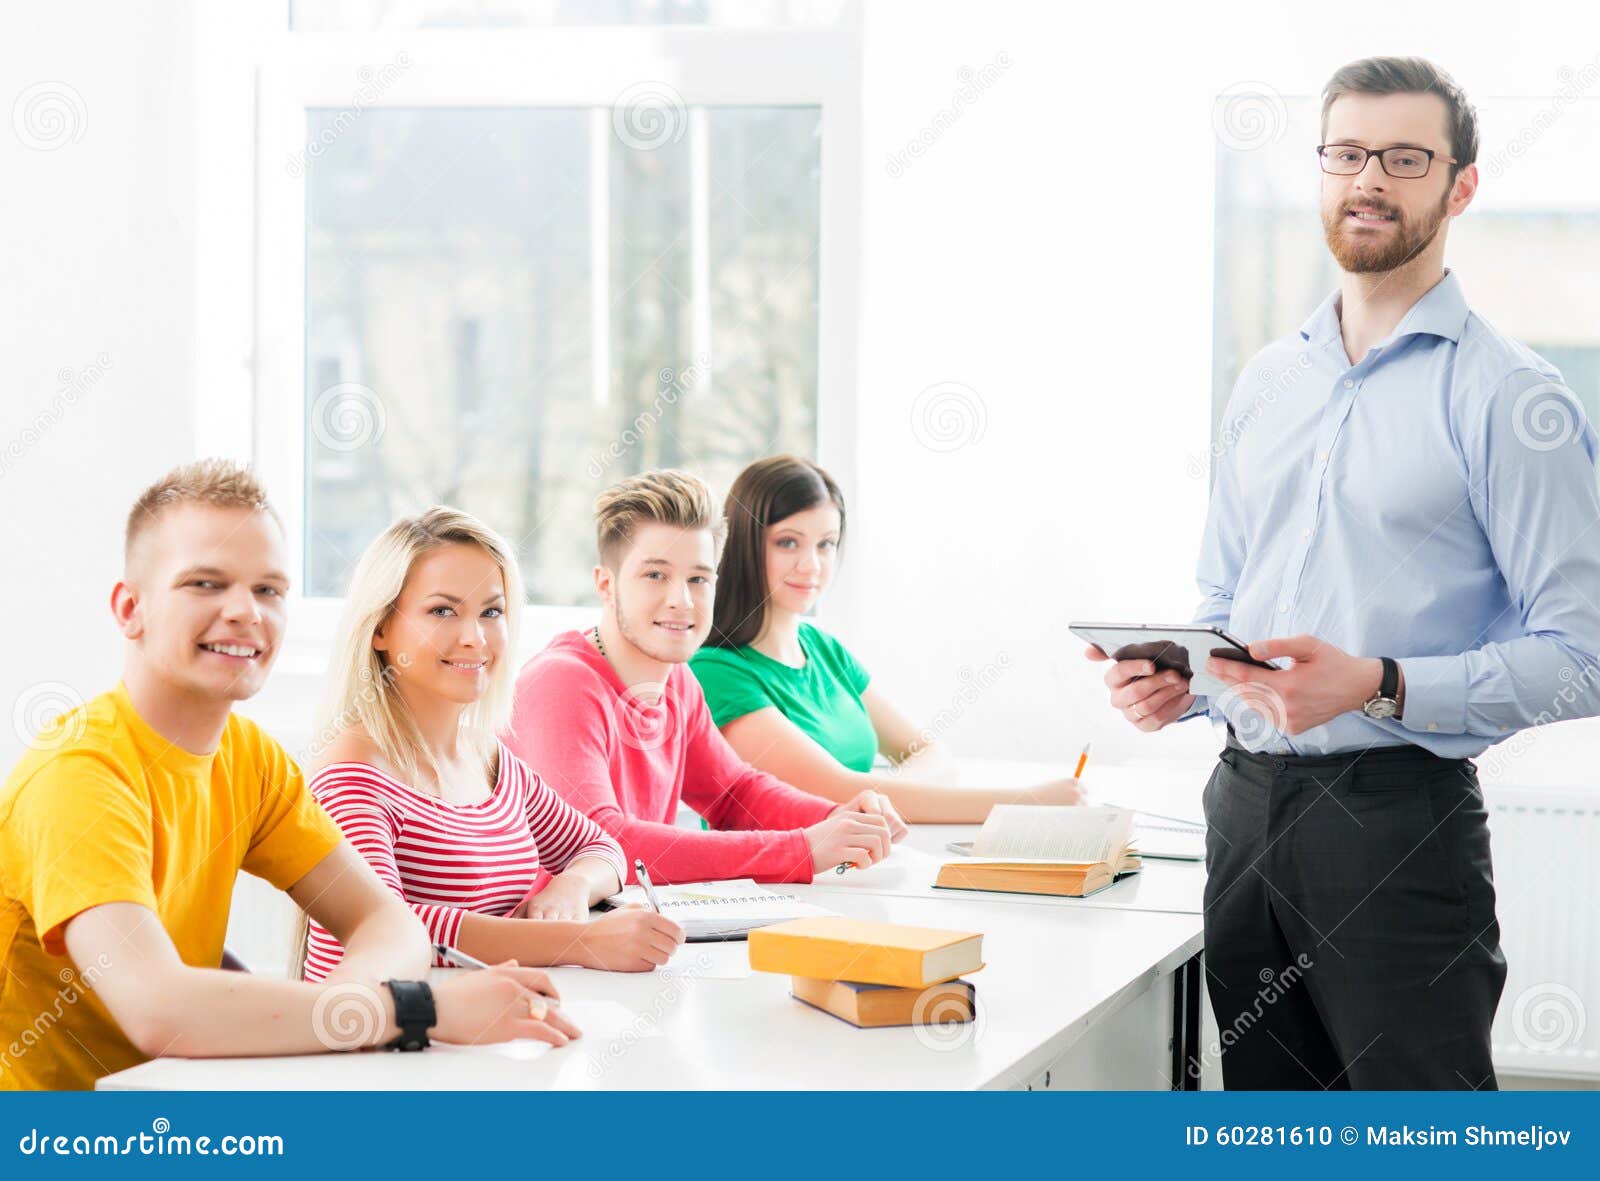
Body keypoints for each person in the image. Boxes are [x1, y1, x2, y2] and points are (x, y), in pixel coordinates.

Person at [1088, 57, 1600, 1089]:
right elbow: (1225, 599)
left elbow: (1582, 654)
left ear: (1459, 185)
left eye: (1404, 158)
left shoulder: (1512, 396)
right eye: (1347, 154)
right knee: (1274, 1127)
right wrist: (1190, 678)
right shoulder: (1267, 379)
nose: (1368, 179)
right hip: (1242, 808)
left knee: (1422, 1139)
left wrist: (1379, 682)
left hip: (1395, 824)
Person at [0, 461, 575, 1092]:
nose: (245, 612)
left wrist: (352, 1015)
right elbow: (158, 1010)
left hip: (189, 1102)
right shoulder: (78, 777)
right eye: (205, 583)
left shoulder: (248, 755)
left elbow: (389, 924)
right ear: (131, 608)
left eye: (269, 590)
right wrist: (413, 1012)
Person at [302, 507, 685, 980]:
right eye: (442, 611)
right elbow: (387, 927)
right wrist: (582, 942)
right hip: (388, 1027)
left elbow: (601, 848)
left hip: (485, 1018)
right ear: (380, 628)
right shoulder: (350, 775)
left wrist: (571, 886)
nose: (474, 638)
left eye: (491, 612)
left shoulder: (489, 761)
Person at [506, 468, 906, 885]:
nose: (681, 600)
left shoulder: (678, 681)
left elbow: (735, 795)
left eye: (698, 578)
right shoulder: (559, 684)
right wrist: (802, 848)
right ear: (606, 585)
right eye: (655, 575)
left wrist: (837, 818)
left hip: (626, 918)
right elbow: (600, 845)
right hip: (553, 925)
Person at [691, 455, 1082, 823]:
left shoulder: (824, 650)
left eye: (826, 544)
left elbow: (928, 753)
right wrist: (1027, 802)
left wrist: (887, 797)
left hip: (857, 861)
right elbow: (839, 792)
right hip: (779, 873)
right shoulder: (715, 671)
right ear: (745, 544)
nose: (811, 565)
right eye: (788, 542)